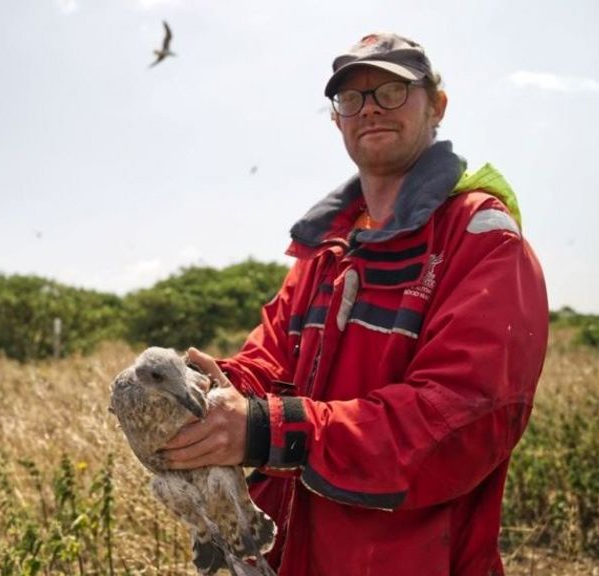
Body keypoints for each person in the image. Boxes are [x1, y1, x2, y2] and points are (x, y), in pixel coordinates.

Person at [162, 32, 549, 575]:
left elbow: (463, 418)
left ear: (437, 105)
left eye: (391, 90)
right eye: (352, 98)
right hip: (291, 556)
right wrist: (200, 393)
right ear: (337, 119)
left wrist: (266, 430)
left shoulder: (481, 237)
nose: (369, 108)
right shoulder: (325, 251)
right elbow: (266, 367)